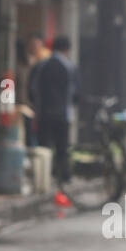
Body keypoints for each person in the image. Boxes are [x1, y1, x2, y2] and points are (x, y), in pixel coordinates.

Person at [32, 36, 79, 183]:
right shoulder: (70, 67)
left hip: (43, 114)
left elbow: (32, 89)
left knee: (43, 147)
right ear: (67, 50)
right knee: (62, 148)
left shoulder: (40, 66)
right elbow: (76, 94)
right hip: (63, 115)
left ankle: (41, 178)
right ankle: (64, 178)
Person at [21, 35, 49, 147]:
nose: (35, 48)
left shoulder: (44, 66)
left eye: (37, 46)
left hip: (38, 107)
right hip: (22, 105)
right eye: (32, 45)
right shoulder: (20, 64)